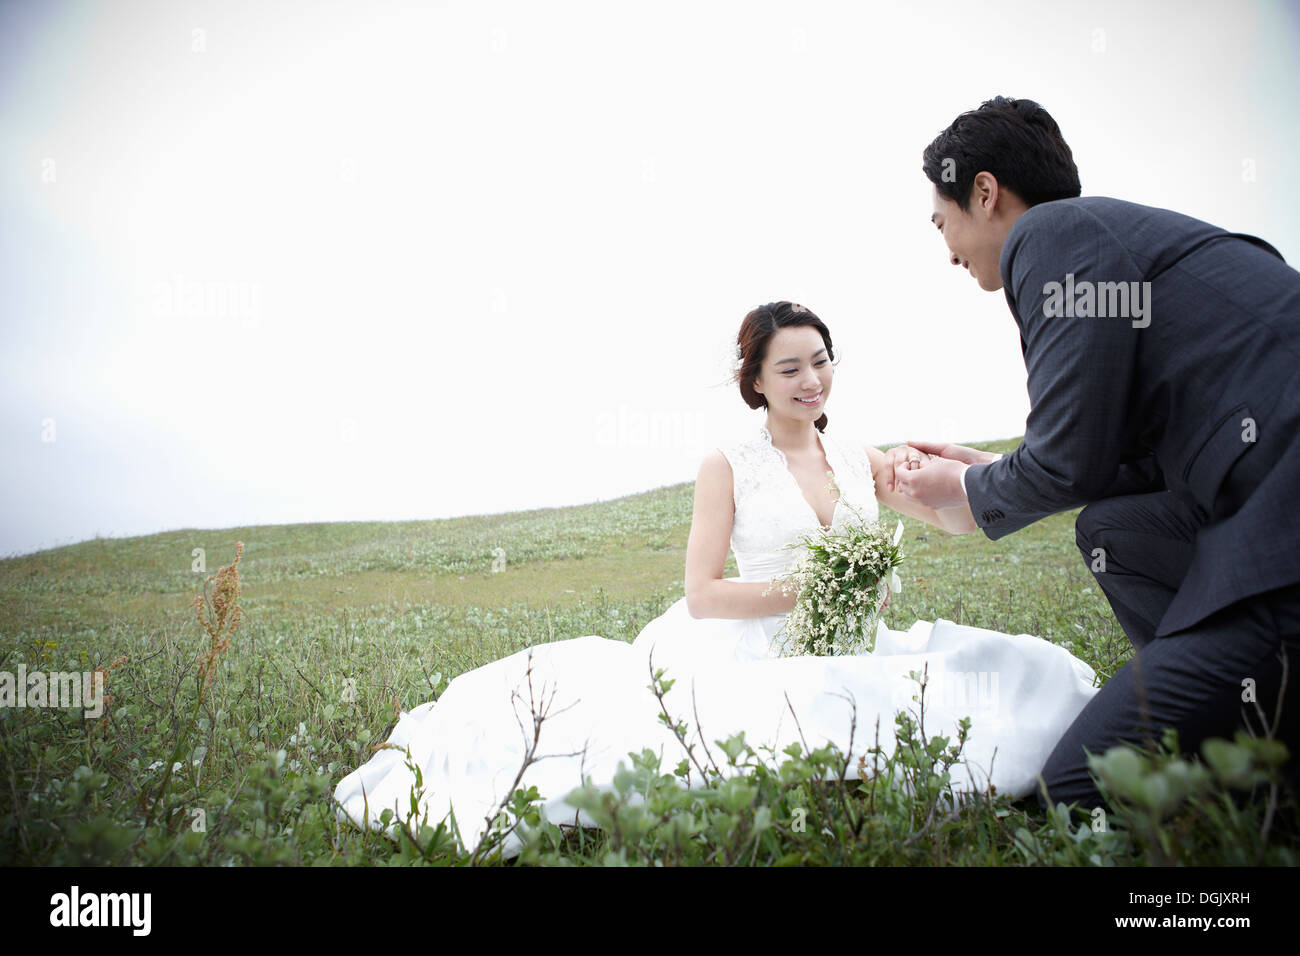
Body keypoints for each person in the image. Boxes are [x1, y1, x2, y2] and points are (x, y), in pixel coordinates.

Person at [332, 302, 1102, 859]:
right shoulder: (726, 464)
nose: (812, 380)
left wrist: (973, 469)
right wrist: (810, 590)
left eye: (821, 361)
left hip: (860, 641)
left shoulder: (861, 455)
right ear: (757, 381)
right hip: (754, 648)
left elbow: (956, 519)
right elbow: (702, 595)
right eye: (791, 367)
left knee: (1023, 671)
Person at [894, 95, 1300, 814]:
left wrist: (966, 485)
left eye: (941, 221)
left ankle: (1222, 710)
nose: (947, 248)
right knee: (1110, 529)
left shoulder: (1053, 235)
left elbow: (1066, 462)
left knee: (1067, 802)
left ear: (983, 192)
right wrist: (979, 472)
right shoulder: (1111, 236)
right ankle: (1221, 717)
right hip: (1254, 501)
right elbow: (1108, 459)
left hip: (1280, 525)